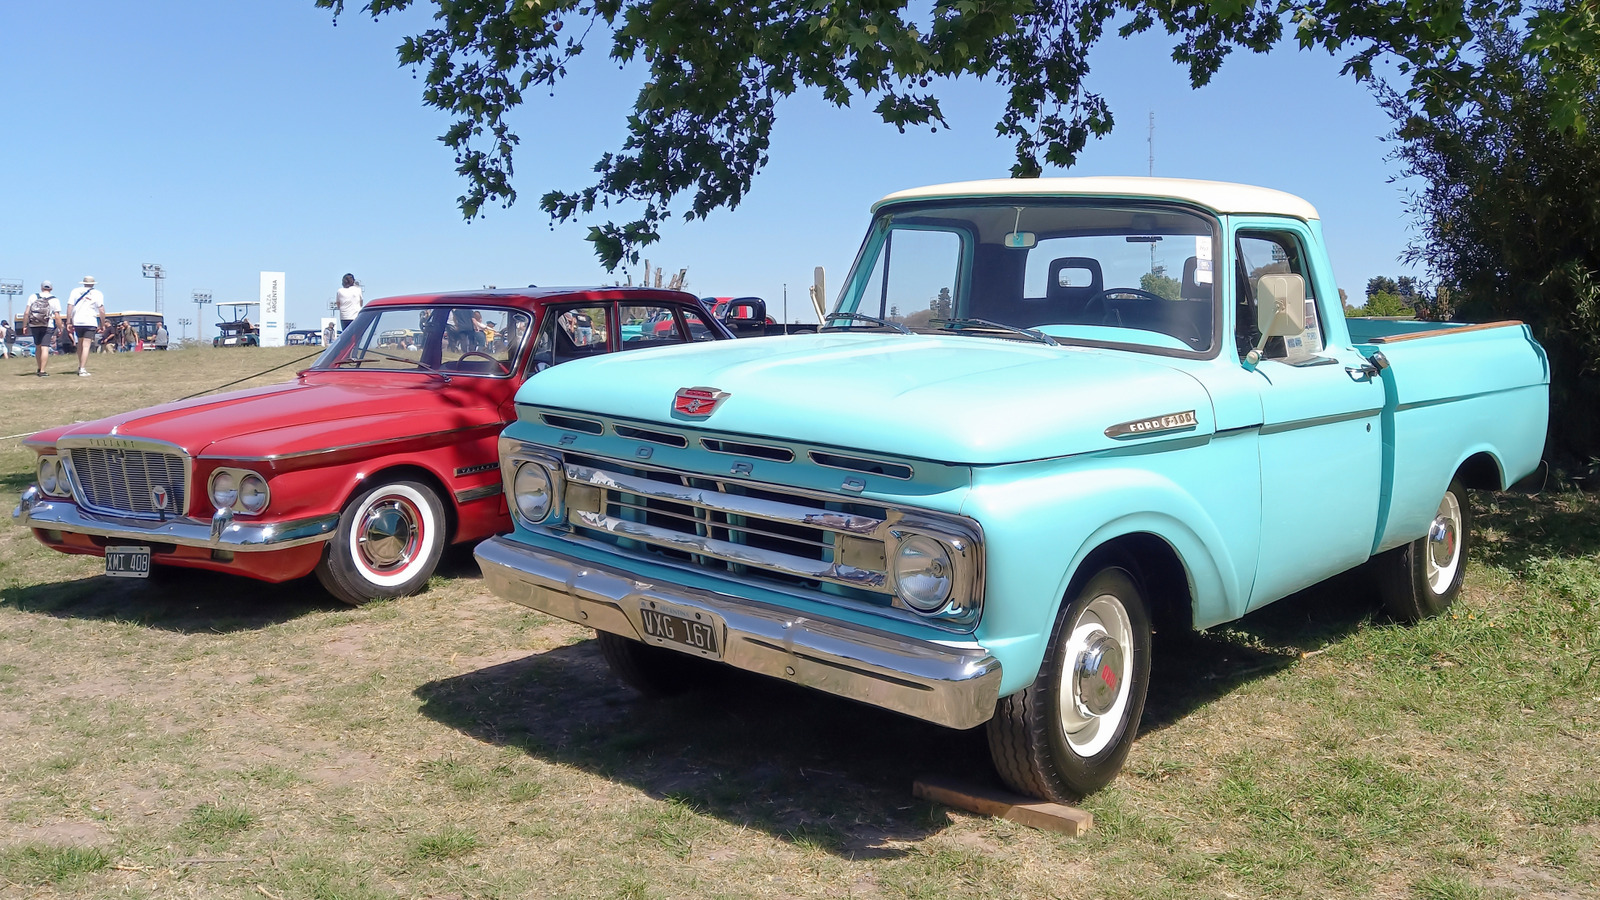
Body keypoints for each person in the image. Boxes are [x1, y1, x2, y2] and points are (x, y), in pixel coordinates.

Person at [66, 276, 106, 376]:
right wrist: (102, 323)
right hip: (90, 321)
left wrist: (68, 321)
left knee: (80, 343)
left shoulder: (75, 291)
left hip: (77, 321)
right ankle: (82, 368)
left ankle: (80, 365)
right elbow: (101, 309)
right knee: (86, 345)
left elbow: (70, 306)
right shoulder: (97, 293)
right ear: (93, 284)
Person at [23, 280, 63, 376]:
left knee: (38, 347)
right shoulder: (54, 299)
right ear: (51, 289)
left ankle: (39, 367)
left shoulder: (33, 296)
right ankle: (42, 371)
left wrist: (25, 325)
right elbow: (57, 316)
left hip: (34, 325)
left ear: (41, 288)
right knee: (45, 347)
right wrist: (60, 328)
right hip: (47, 325)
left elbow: (26, 312)